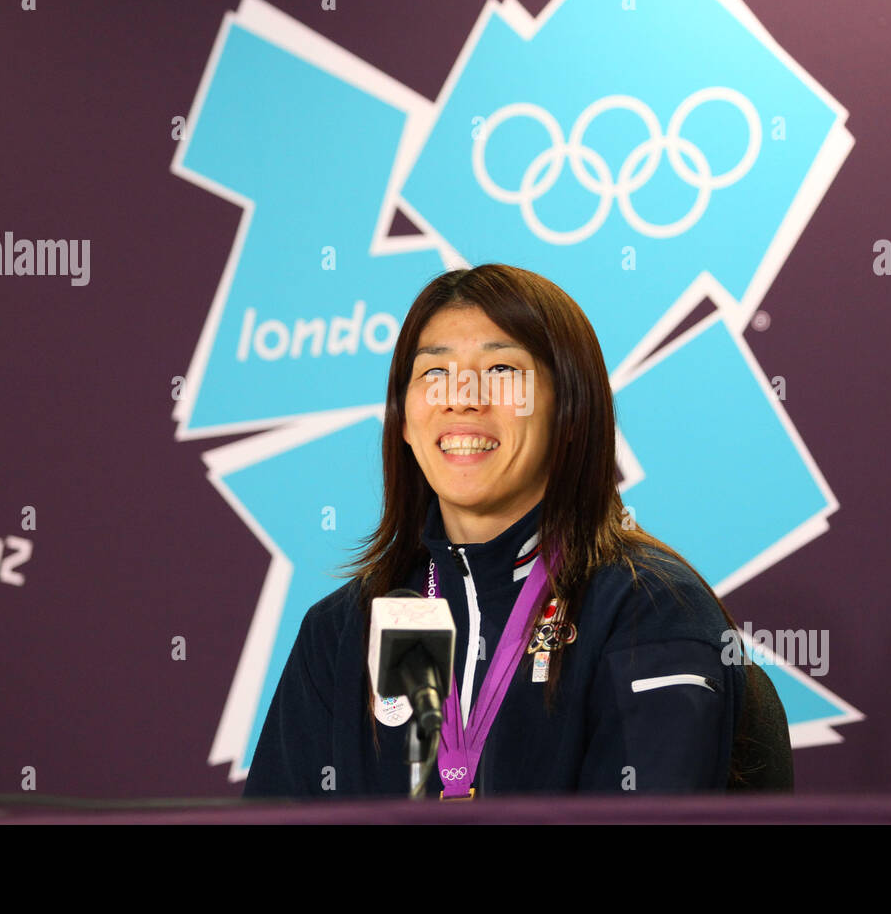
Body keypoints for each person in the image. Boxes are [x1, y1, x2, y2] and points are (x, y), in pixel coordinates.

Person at [243, 263, 751, 799]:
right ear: (405, 421)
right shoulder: (341, 631)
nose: (462, 397)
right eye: (434, 374)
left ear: (570, 411)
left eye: (503, 370)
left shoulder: (649, 612)